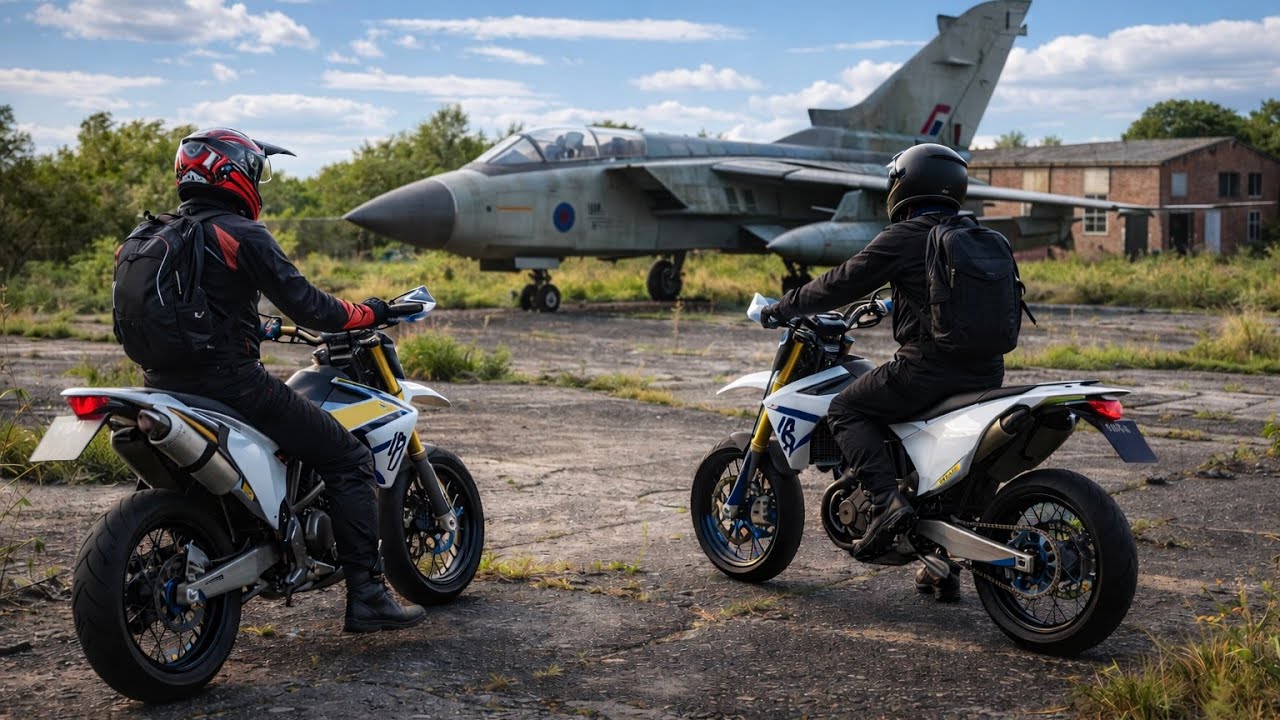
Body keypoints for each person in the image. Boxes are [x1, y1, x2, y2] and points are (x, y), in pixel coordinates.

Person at [150, 127, 426, 632]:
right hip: (233, 387)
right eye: (256, 170)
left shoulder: (154, 236)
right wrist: (374, 310)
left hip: (160, 389)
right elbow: (313, 307)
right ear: (237, 173)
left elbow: (196, 309)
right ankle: (367, 595)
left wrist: (259, 326)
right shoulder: (240, 233)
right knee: (348, 457)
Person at [760, 143, 1005, 601]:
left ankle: (885, 503)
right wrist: (898, 299)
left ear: (904, 185)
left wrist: (782, 307)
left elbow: (840, 282)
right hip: (987, 375)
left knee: (847, 408)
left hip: (929, 371)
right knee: (942, 475)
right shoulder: (974, 234)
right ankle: (938, 568)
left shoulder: (907, 235)